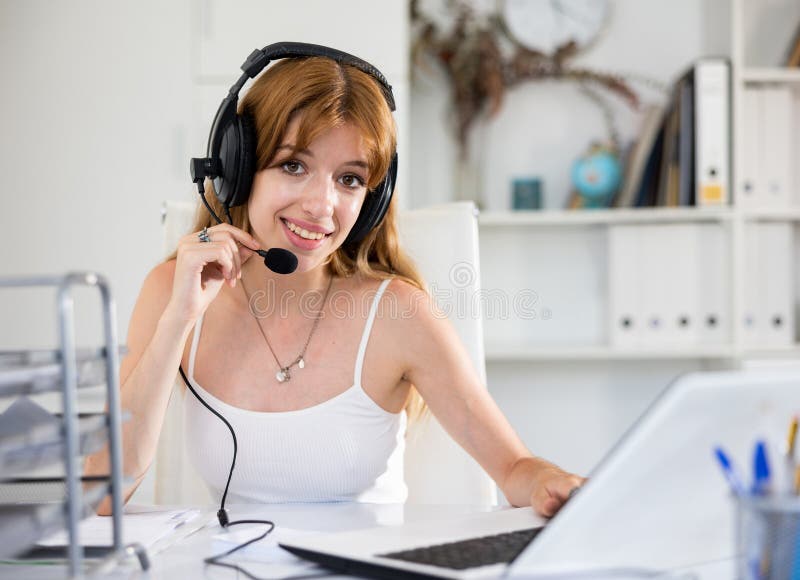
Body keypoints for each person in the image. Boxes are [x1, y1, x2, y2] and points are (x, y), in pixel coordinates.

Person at [86, 48, 584, 517]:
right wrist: (180, 319)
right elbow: (102, 494)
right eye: (293, 165)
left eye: (348, 179)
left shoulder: (399, 313)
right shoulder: (171, 290)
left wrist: (548, 481)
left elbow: (516, 469)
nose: (322, 206)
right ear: (237, 170)